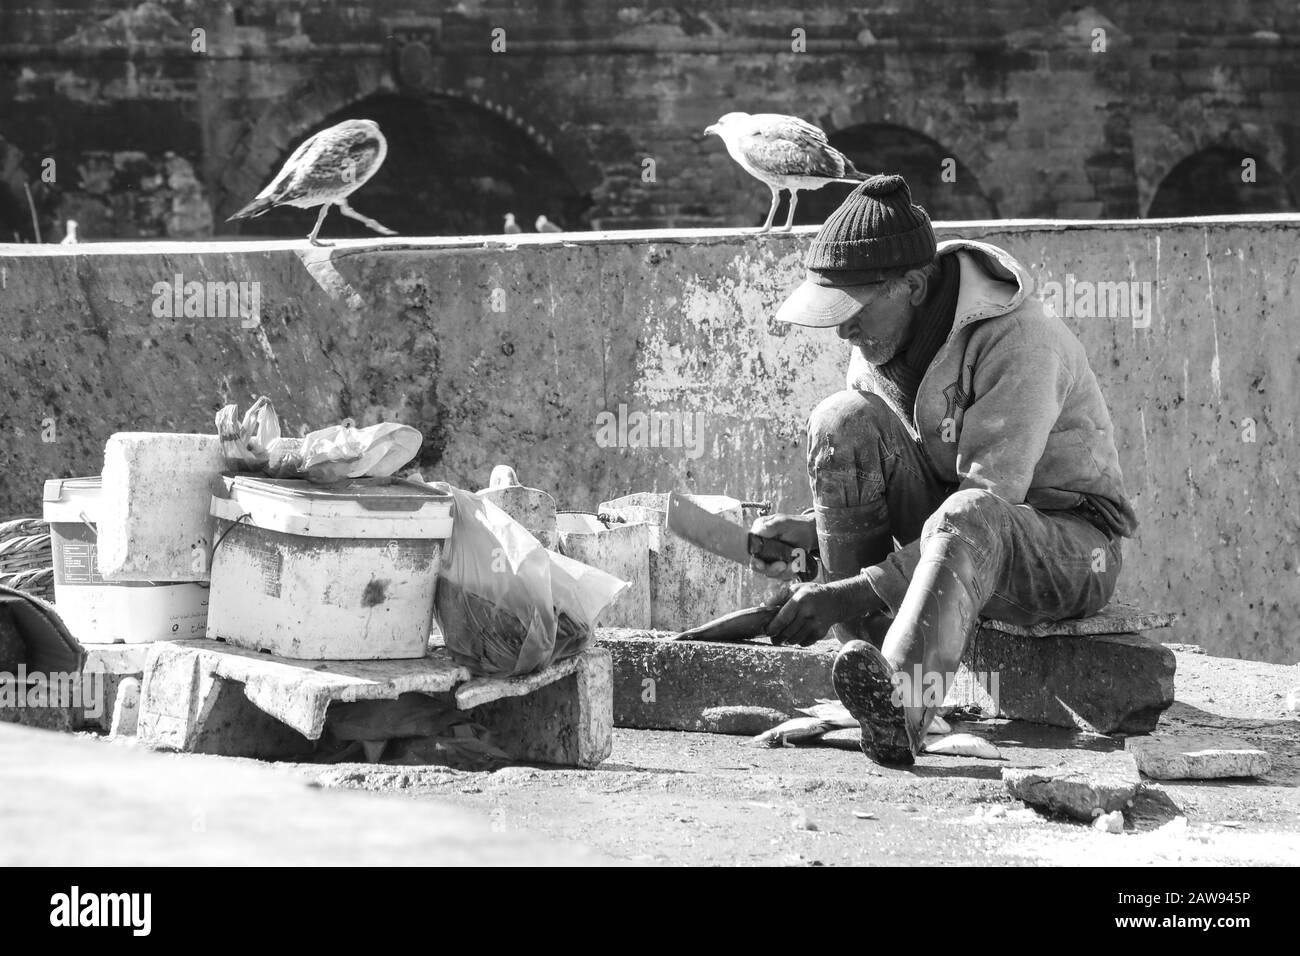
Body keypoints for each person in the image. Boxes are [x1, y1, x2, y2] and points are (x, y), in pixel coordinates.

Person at [750, 174, 1138, 766]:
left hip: (1069, 547)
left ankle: (904, 708)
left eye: (853, 310)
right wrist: (813, 527)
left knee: (970, 512)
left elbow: (981, 508)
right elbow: (910, 483)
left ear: (910, 285)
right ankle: (866, 673)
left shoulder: (1022, 341)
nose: (843, 330)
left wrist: (842, 593)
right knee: (841, 419)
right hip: (957, 533)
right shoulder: (878, 344)